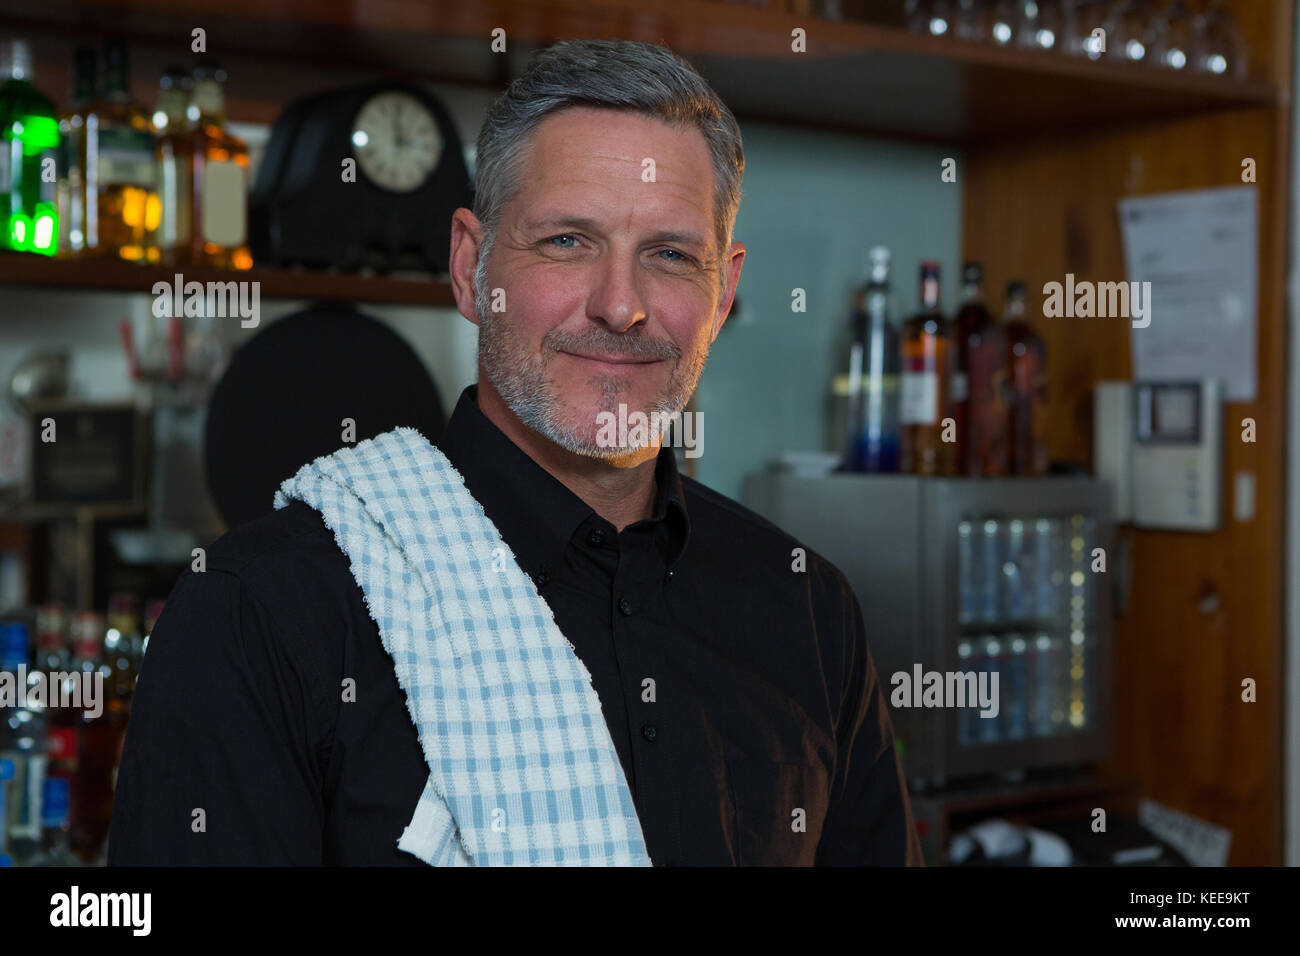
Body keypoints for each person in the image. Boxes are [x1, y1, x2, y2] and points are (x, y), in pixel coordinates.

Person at [108, 38, 922, 866]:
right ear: (469, 267)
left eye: (670, 255)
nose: (620, 306)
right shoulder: (261, 613)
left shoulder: (808, 611)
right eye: (568, 241)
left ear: (724, 293)